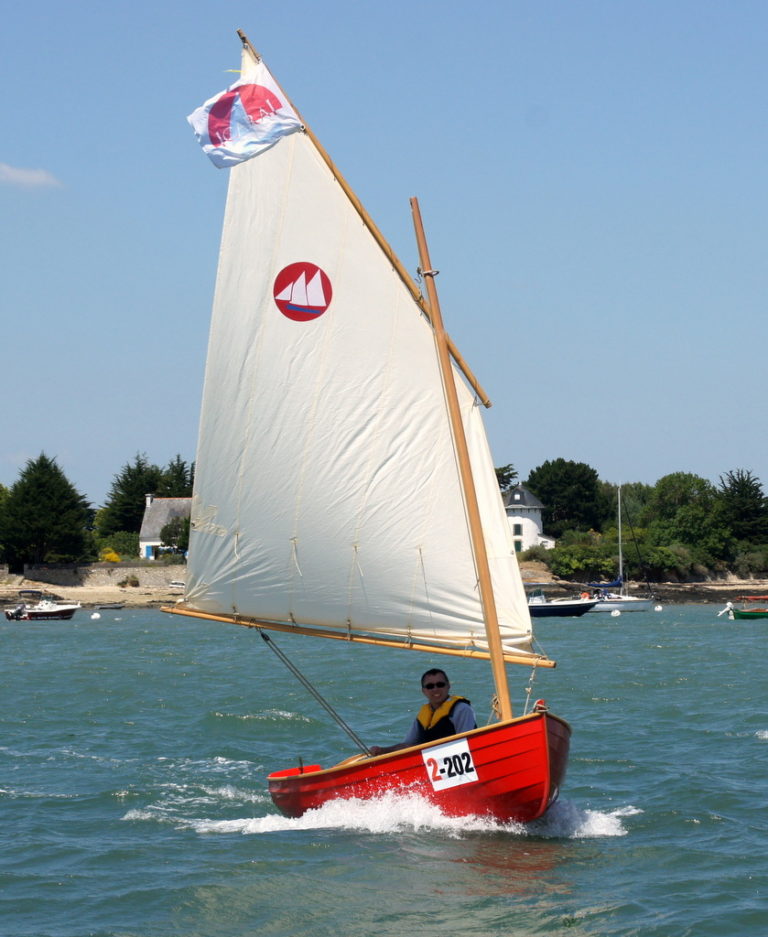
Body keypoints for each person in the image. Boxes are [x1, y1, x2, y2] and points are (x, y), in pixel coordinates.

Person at [369, 668, 477, 756]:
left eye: (440, 684)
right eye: (430, 686)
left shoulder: (461, 709)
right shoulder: (423, 716)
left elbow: (468, 742)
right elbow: (407, 745)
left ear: (448, 686)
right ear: (423, 691)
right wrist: (382, 751)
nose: (435, 689)